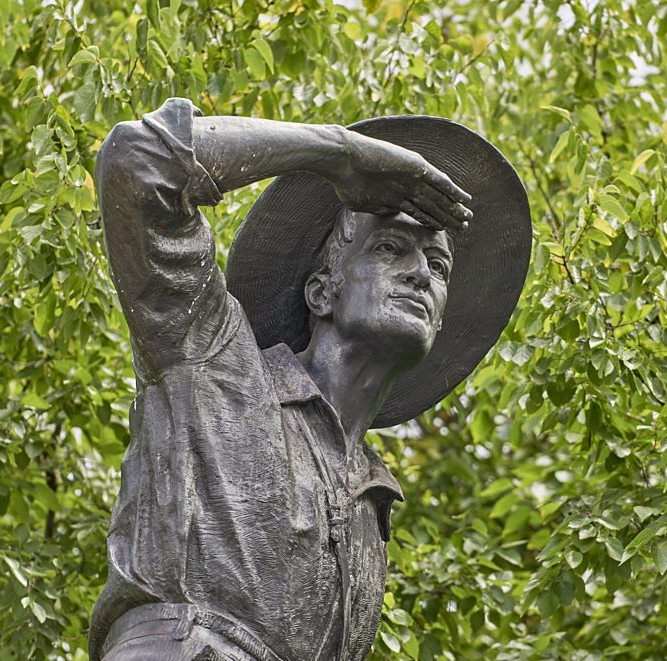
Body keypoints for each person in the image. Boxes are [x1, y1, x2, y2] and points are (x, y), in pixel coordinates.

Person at [89, 98, 531, 661]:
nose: (421, 273)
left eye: (438, 266)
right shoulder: (212, 363)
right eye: (390, 248)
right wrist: (338, 155)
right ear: (321, 290)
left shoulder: (372, 504)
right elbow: (138, 158)